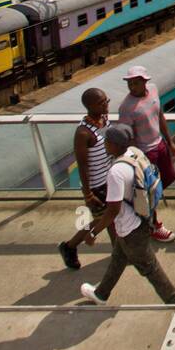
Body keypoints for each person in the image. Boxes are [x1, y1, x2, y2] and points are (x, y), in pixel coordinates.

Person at [79, 124, 175, 306]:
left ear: (114, 145)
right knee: (118, 259)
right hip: (142, 218)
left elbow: (113, 210)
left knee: (151, 268)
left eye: (107, 142)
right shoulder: (135, 153)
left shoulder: (116, 172)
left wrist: (93, 233)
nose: (105, 145)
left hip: (130, 229)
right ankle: (101, 294)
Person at [118, 65, 175, 243]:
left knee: (170, 176)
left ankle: (145, 208)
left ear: (145, 81)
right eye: (129, 83)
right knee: (150, 192)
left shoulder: (153, 90)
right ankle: (153, 226)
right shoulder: (126, 107)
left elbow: (160, 116)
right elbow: (127, 136)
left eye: (136, 82)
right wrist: (134, 160)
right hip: (144, 154)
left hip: (160, 145)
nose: (132, 86)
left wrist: (170, 142)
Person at [58, 88, 111, 270]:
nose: (106, 105)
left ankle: (70, 246)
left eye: (107, 100)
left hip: (108, 179)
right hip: (96, 186)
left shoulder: (104, 120)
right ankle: (70, 246)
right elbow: (82, 166)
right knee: (103, 219)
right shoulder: (83, 133)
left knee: (108, 218)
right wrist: (88, 194)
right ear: (89, 106)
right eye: (102, 102)